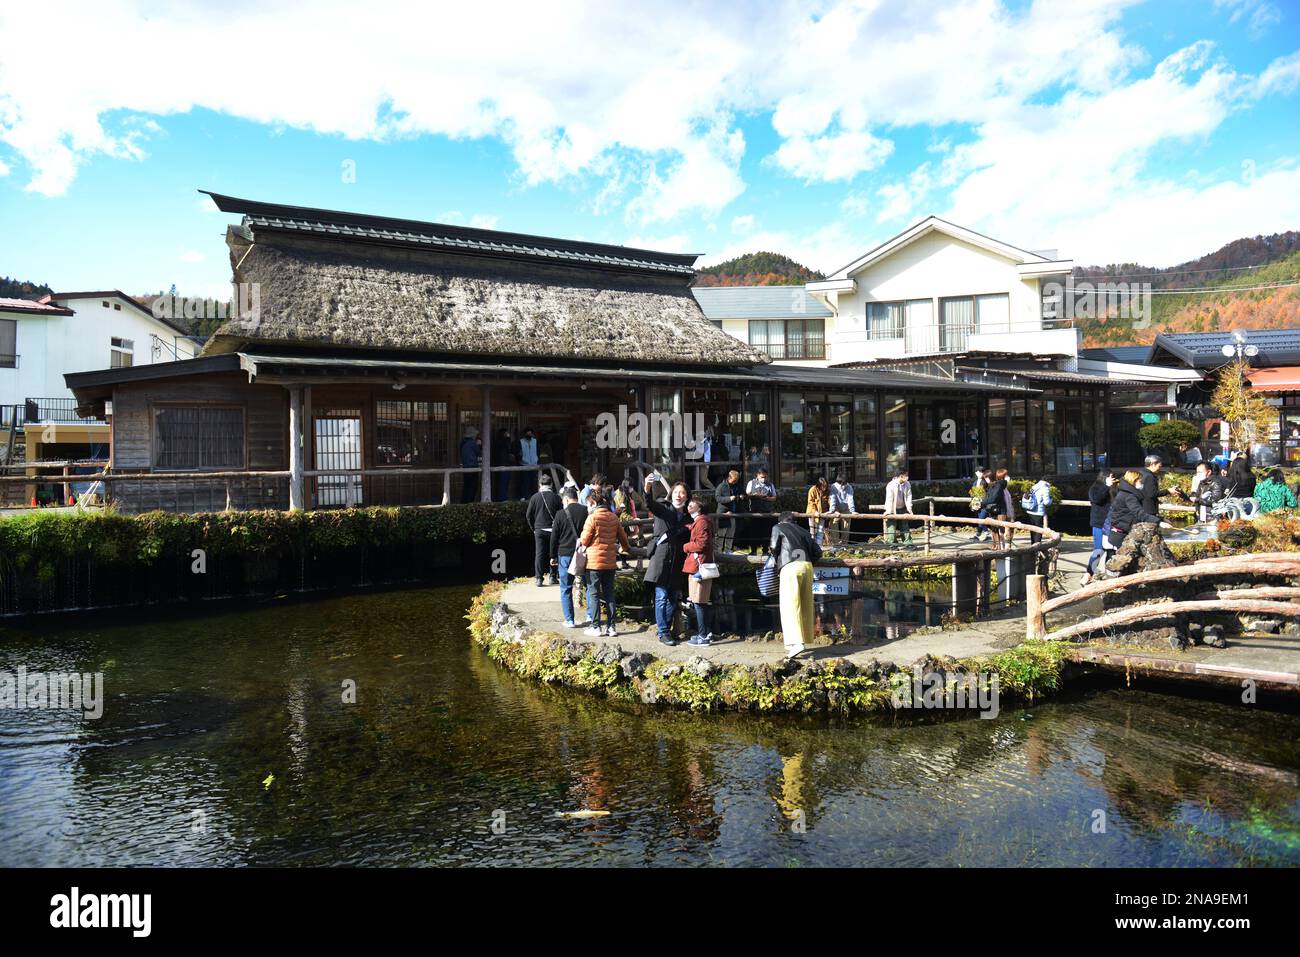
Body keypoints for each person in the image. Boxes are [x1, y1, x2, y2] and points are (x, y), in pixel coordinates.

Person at [643, 475, 694, 645]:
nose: (679, 495)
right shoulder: (664, 509)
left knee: (673, 597)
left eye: (683, 493)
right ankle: (663, 632)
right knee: (661, 596)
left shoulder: (689, 517)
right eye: (676, 492)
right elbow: (650, 504)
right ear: (671, 494)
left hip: (678, 559)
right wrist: (647, 488)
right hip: (662, 558)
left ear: (687, 497)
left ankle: (667, 630)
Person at [769, 511, 821, 661]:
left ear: (781, 521)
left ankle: (796, 643)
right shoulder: (804, 531)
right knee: (805, 605)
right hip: (807, 566)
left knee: (790, 606)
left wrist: (774, 559)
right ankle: (803, 639)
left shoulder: (778, 527)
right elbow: (818, 552)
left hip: (790, 567)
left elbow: (774, 547)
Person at [579, 489, 629, 639]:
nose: (588, 506)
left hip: (594, 563)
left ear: (594, 503)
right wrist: (624, 548)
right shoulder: (614, 517)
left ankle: (596, 627)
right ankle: (611, 627)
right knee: (609, 595)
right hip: (610, 562)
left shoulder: (592, 518)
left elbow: (584, 540)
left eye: (589, 504)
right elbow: (623, 538)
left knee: (593, 594)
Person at [550, 486, 591, 628]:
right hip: (583, 553)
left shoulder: (560, 514)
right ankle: (591, 616)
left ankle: (569, 620)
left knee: (566, 588)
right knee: (589, 586)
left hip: (565, 554)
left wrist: (552, 556)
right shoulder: (585, 511)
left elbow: (554, 537)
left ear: (566, 499)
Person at [682, 497, 715, 646]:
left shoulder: (701, 521)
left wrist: (686, 547)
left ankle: (703, 636)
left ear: (700, 507)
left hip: (698, 566)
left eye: (691, 504)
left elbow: (702, 543)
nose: (688, 505)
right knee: (700, 602)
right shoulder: (701, 521)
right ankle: (706, 633)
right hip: (700, 565)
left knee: (698, 602)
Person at [1108, 470, 1168, 551]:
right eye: (1140, 480)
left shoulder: (1125, 492)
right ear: (1134, 480)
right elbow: (1139, 513)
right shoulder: (1129, 496)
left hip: (1120, 531)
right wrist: (1159, 522)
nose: (1142, 483)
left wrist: (1160, 519)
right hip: (1122, 534)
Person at [525, 473, 562, 586]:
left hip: (539, 529)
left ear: (540, 484)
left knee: (540, 554)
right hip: (553, 529)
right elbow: (561, 515)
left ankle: (539, 578)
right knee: (553, 553)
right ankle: (553, 576)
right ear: (551, 484)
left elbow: (528, 515)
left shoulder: (535, 497)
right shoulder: (556, 497)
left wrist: (534, 528)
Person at [1082, 470, 1118, 586]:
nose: (1113, 479)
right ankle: (1088, 573)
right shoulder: (1096, 487)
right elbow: (1096, 499)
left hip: (1111, 523)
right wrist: (1106, 486)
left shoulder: (1113, 487)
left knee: (1111, 549)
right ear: (1105, 477)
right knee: (1099, 550)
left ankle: (1110, 575)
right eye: (1111, 477)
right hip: (1099, 523)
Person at [713, 468, 744, 554]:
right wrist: (729, 498)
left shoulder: (737, 485)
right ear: (729, 478)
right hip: (723, 514)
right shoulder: (721, 486)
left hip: (733, 513)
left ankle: (728, 550)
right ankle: (718, 552)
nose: (735, 482)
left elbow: (743, 493)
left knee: (731, 534)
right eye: (733, 481)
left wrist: (741, 496)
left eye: (736, 481)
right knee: (721, 534)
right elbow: (717, 498)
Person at [882, 469, 913, 545]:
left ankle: (908, 543)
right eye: (906, 475)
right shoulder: (891, 485)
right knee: (892, 527)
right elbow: (889, 499)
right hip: (893, 508)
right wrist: (888, 511)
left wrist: (909, 509)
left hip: (903, 508)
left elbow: (909, 497)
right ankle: (892, 544)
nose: (907, 477)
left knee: (905, 526)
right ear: (901, 476)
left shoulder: (907, 484)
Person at [828, 472, 856, 549]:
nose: (842, 485)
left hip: (846, 509)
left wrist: (852, 510)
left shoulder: (849, 487)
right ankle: (836, 545)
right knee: (834, 526)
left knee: (846, 527)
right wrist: (832, 510)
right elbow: (832, 499)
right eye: (840, 483)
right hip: (836, 509)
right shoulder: (833, 486)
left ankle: (844, 545)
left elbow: (850, 499)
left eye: (843, 483)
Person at [982, 468, 1009, 548]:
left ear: (991, 477)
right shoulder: (989, 486)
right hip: (992, 510)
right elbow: (988, 498)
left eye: (987, 477)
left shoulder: (998, 485)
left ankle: (1003, 548)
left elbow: (994, 498)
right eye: (985, 478)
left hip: (1000, 511)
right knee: (994, 530)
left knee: (1001, 530)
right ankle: (996, 547)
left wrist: (982, 503)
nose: (986, 479)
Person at [1022, 475, 1053, 544]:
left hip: (1030, 510)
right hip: (1038, 512)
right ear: (1049, 481)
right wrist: (1051, 499)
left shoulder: (1035, 486)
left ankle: (1033, 547)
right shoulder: (1045, 488)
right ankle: (1037, 548)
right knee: (1039, 531)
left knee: (1032, 530)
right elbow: (1046, 502)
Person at [1137, 453, 1166, 521]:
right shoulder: (1149, 476)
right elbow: (1152, 494)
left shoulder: (1140, 473)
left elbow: (1144, 492)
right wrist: (1168, 491)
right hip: (1148, 510)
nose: (1160, 468)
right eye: (1159, 466)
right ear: (1153, 464)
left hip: (1140, 508)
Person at [806, 476, 831, 547]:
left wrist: (830, 511)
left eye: (825, 486)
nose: (824, 487)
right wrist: (815, 512)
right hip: (812, 515)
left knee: (820, 532)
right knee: (813, 533)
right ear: (819, 485)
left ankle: (819, 548)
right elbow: (810, 503)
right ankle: (812, 548)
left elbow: (829, 501)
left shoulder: (827, 491)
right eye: (823, 486)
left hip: (823, 514)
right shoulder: (812, 490)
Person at [492, 428, 516, 501]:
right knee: (502, 483)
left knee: (504, 483)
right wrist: (508, 438)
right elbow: (506, 446)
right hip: (502, 465)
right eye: (506, 433)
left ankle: (502, 498)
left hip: (504, 464)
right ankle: (502, 499)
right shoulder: (500, 442)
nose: (508, 435)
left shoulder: (498, 442)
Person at [970, 466, 993, 542]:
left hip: (984, 504)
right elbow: (972, 493)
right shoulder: (975, 482)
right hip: (977, 504)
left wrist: (982, 500)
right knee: (980, 519)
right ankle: (987, 533)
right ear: (976, 473)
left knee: (981, 519)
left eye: (982, 472)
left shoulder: (986, 481)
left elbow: (988, 493)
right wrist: (973, 502)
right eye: (979, 472)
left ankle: (978, 534)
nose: (981, 473)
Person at [459, 428, 481, 503]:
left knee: (467, 486)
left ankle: (464, 503)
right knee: (473, 487)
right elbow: (478, 452)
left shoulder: (463, 442)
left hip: (466, 467)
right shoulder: (472, 443)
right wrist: (479, 444)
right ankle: (469, 503)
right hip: (472, 468)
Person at [518, 427, 540, 498]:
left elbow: (538, 451)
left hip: (534, 464)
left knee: (533, 481)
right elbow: (518, 453)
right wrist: (521, 459)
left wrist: (536, 459)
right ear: (525, 434)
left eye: (530, 432)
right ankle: (524, 496)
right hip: (524, 464)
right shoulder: (520, 441)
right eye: (528, 432)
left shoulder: (535, 441)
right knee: (524, 481)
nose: (529, 434)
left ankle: (533, 496)